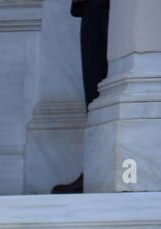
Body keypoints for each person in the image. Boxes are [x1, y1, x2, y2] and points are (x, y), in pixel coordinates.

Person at [53, 0, 111, 194]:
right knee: (95, 97)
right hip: (94, 9)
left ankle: (106, 170)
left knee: (106, 93)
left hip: (114, 11)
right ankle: (95, 170)